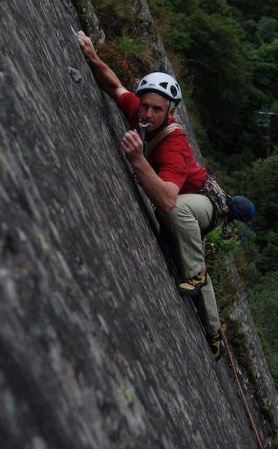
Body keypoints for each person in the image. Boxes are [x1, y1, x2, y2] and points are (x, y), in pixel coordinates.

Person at [76, 30, 255, 359]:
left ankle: (197, 273)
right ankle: (215, 330)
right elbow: (115, 87)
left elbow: (169, 200)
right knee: (183, 246)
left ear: (170, 112)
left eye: (156, 110)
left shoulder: (174, 144)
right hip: (188, 200)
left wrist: (137, 159)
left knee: (175, 215)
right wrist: (92, 56)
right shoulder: (141, 112)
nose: (147, 114)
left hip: (204, 203)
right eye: (144, 106)